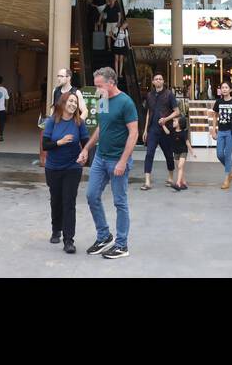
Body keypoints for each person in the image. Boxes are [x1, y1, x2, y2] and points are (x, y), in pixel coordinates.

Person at [78, 66, 138, 259]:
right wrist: (87, 148)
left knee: (120, 202)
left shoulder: (126, 102)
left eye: (99, 85)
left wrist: (122, 162)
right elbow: (101, 128)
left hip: (117, 160)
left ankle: (122, 245)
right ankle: (104, 236)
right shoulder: (103, 99)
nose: (97, 90)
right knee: (91, 195)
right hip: (100, 158)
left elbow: (133, 134)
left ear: (111, 83)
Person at [42, 90, 90, 253]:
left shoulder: (79, 123)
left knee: (69, 202)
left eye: (75, 102)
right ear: (63, 103)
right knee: (56, 200)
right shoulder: (52, 121)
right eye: (70, 101)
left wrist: (85, 154)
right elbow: (45, 145)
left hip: (72, 168)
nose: (73, 104)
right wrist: (60, 142)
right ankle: (56, 228)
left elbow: (86, 143)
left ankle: (69, 240)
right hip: (53, 167)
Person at [141, 73, 179, 191]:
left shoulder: (169, 95)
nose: (158, 81)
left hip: (166, 130)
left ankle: (170, 177)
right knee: (149, 154)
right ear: (153, 82)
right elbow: (148, 112)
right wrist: (145, 130)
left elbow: (177, 111)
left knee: (168, 154)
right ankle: (147, 181)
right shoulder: (149, 95)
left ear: (163, 81)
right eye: (156, 79)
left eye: (160, 79)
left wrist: (166, 119)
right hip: (152, 129)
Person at [213, 81, 232, 189]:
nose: (224, 89)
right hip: (221, 131)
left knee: (227, 154)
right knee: (219, 154)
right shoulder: (218, 102)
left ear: (230, 90)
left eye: (226, 87)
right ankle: (231, 170)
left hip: (231, 132)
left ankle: (226, 179)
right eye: (222, 87)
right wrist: (213, 130)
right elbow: (215, 116)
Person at [165, 107, 189, 191]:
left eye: (175, 121)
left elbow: (187, 143)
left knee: (179, 166)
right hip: (176, 152)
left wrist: (192, 152)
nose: (173, 122)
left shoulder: (183, 133)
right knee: (179, 167)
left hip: (183, 151)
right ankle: (184, 183)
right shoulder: (173, 130)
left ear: (179, 123)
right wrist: (163, 125)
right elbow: (167, 132)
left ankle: (178, 183)